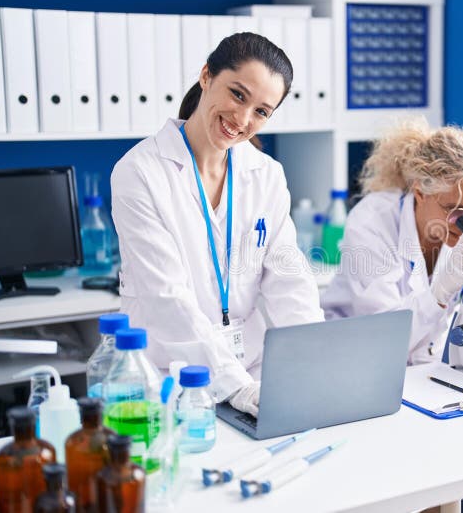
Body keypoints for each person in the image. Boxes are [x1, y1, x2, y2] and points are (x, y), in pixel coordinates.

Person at [111, 33, 323, 416]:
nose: (242, 120)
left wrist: (315, 363)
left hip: (253, 374)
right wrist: (235, 387)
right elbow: (166, 299)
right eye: (238, 95)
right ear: (207, 76)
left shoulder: (267, 174)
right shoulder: (139, 172)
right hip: (170, 378)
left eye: (261, 111)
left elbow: (291, 284)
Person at [321, 117, 463, 365]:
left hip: (432, 364)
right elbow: (384, 338)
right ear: (420, 193)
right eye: (453, 209)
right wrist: (440, 290)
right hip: (356, 359)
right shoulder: (372, 220)